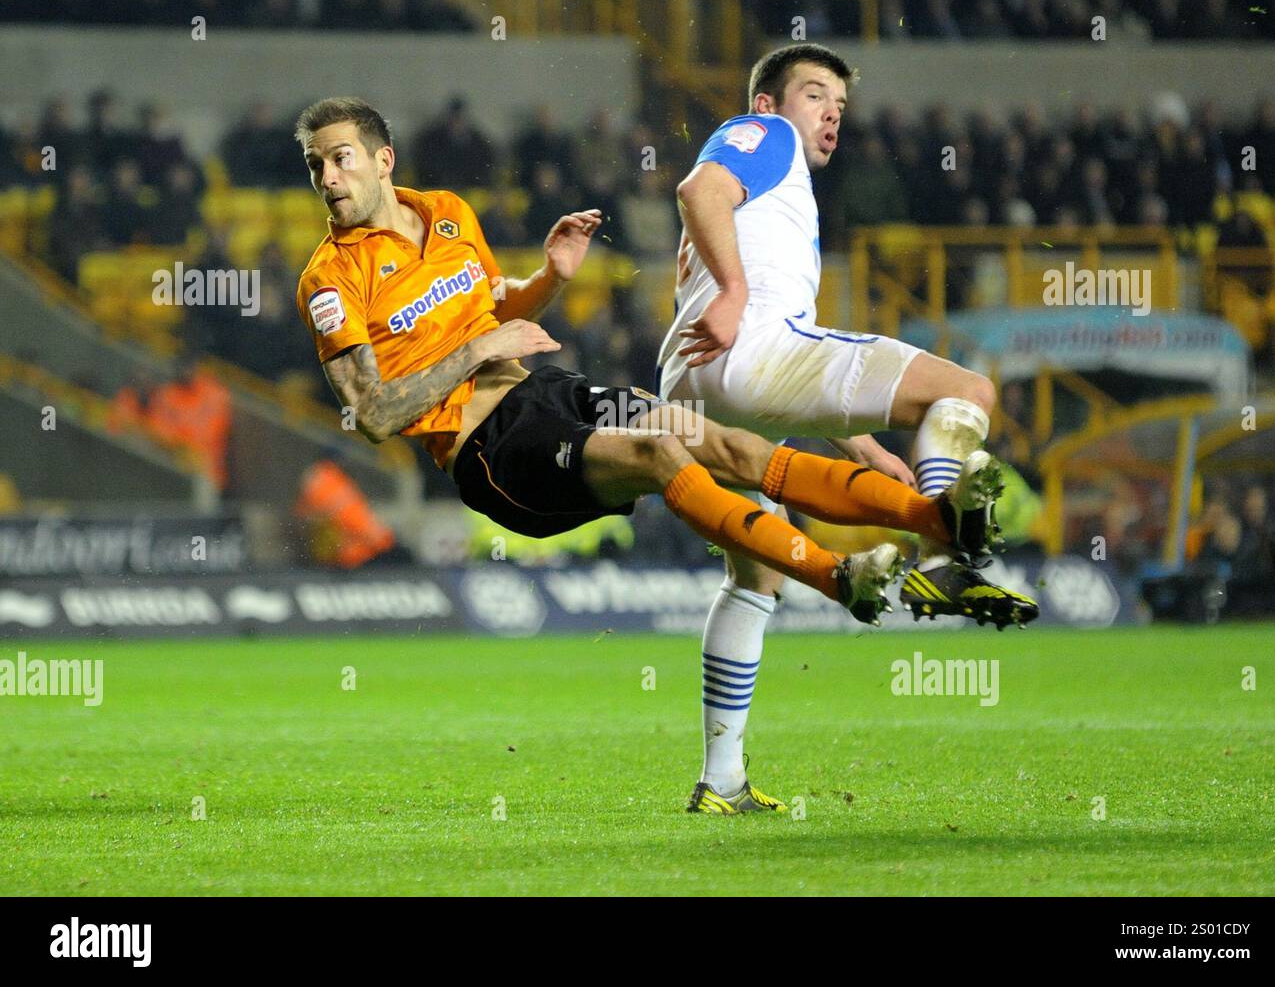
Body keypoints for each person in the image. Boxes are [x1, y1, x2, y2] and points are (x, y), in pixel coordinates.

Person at [289, 97, 1001, 717]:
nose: (327, 179)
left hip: (547, 394)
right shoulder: (331, 276)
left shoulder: (444, 213)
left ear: (383, 159)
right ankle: (836, 578)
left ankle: (939, 522)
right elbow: (374, 409)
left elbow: (488, 309)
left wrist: (548, 279)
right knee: (663, 454)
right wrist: (476, 356)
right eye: (316, 166)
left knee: (725, 447)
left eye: (339, 159)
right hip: (493, 454)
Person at [655, 44, 1037, 813]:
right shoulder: (767, 138)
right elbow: (698, 188)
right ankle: (943, 549)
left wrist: (863, 447)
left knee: (755, 577)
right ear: (770, 104)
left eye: (839, 102)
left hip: (696, 389)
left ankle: (720, 777)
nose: (830, 112)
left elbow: (796, 379)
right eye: (814, 93)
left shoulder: (781, 199)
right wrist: (732, 293)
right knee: (964, 390)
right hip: (743, 347)